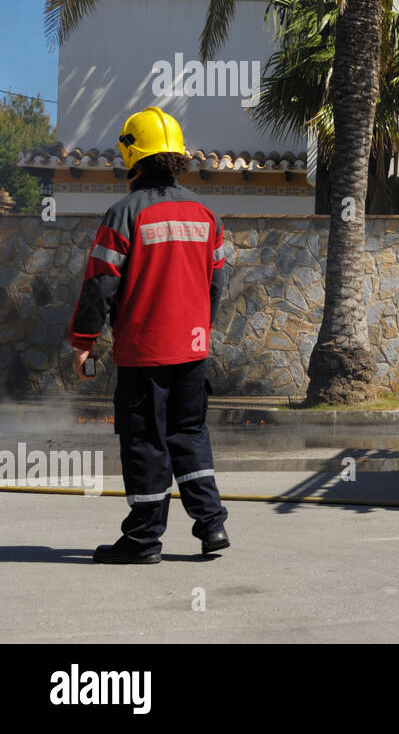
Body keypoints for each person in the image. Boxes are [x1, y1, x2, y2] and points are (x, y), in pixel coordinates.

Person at [69, 107, 230, 563]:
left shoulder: (124, 213)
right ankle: (212, 527)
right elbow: (217, 283)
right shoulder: (206, 214)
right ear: (177, 157)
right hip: (192, 351)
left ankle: (143, 541)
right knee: (189, 433)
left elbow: (101, 281)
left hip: (144, 354)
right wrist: (200, 329)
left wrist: (83, 341)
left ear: (131, 154)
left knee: (144, 442)